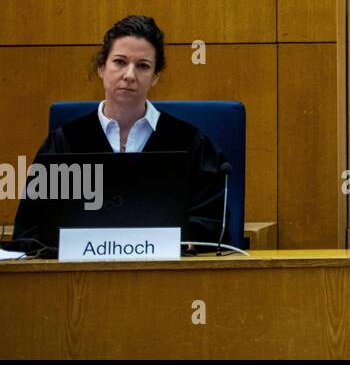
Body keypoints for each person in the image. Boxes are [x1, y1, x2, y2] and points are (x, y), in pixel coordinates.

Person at [8, 15, 228, 252]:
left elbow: (211, 227)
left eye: (143, 66)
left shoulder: (189, 143)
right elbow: (30, 232)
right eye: (120, 62)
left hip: (165, 281)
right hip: (79, 283)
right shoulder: (65, 143)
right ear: (101, 67)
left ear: (155, 77)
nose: (130, 75)